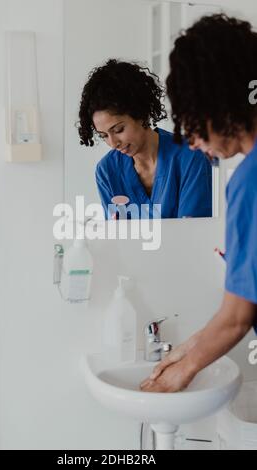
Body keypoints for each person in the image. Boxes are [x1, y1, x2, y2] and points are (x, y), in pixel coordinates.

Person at [141, 14, 257, 393]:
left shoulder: (249, 180)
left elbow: (237, 317)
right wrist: (185, 350)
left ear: (215, 103)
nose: (190, 141)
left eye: (190, 121)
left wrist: (180, 372)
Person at [78, 59, 212, 219]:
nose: (113, 144)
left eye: (118, 130)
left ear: (141, 114)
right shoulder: (107, 170)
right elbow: (116, 238)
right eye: (104, 136)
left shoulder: (189, 157)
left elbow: (193, 233)